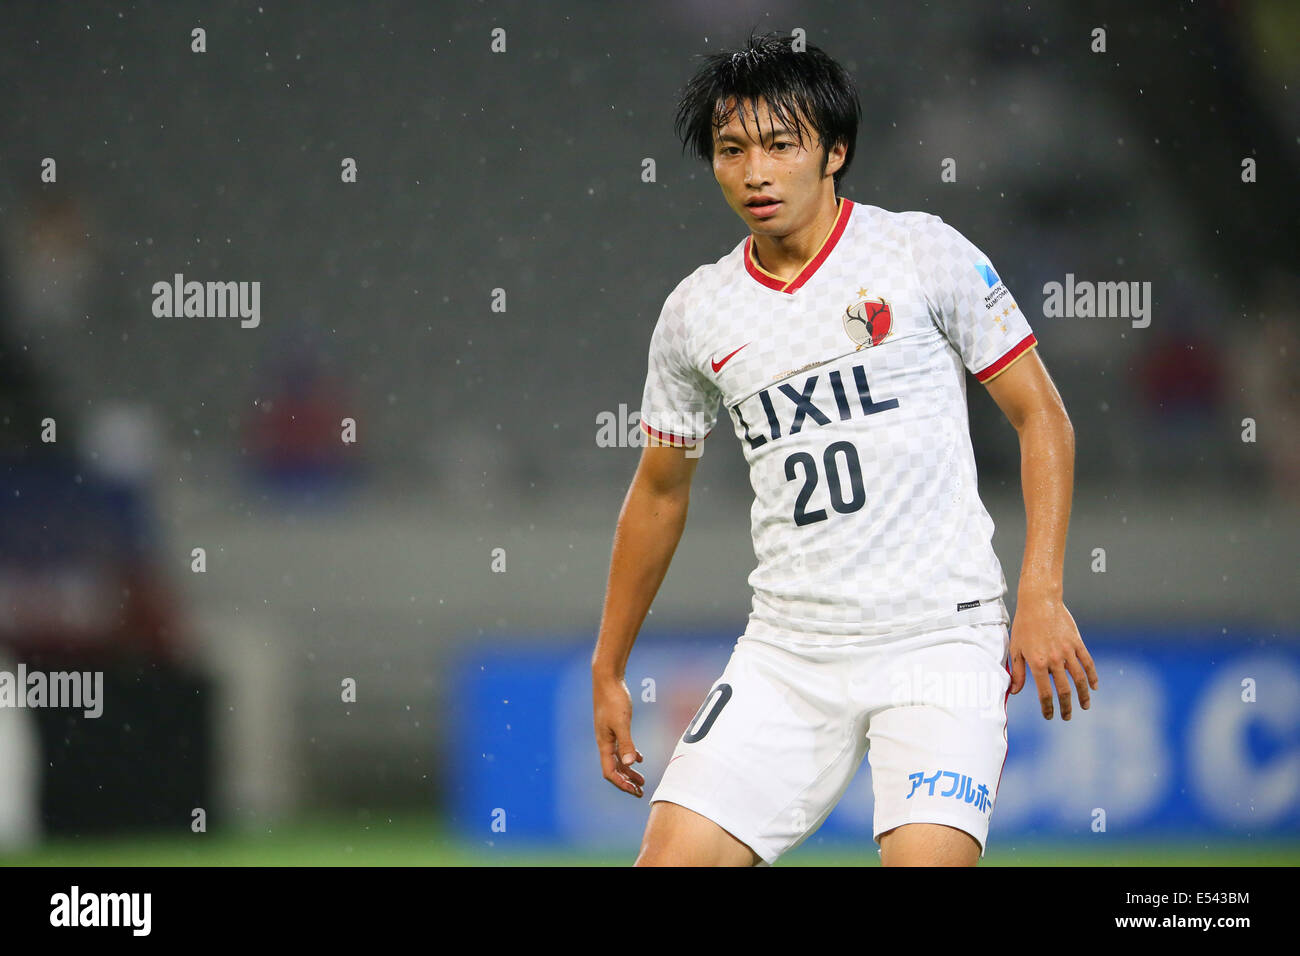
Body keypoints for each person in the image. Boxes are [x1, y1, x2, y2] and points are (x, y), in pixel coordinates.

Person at [591, 32, 1097, 867]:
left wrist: (1040, 591)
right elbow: (658, 491)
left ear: (835, 151)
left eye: (781, 145)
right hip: (788, 653)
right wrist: (610, 665)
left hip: (939, 639)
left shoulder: (919, 252)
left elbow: (1043, 418)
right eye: (730, 150)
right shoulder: (696, 313)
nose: (755, 171)